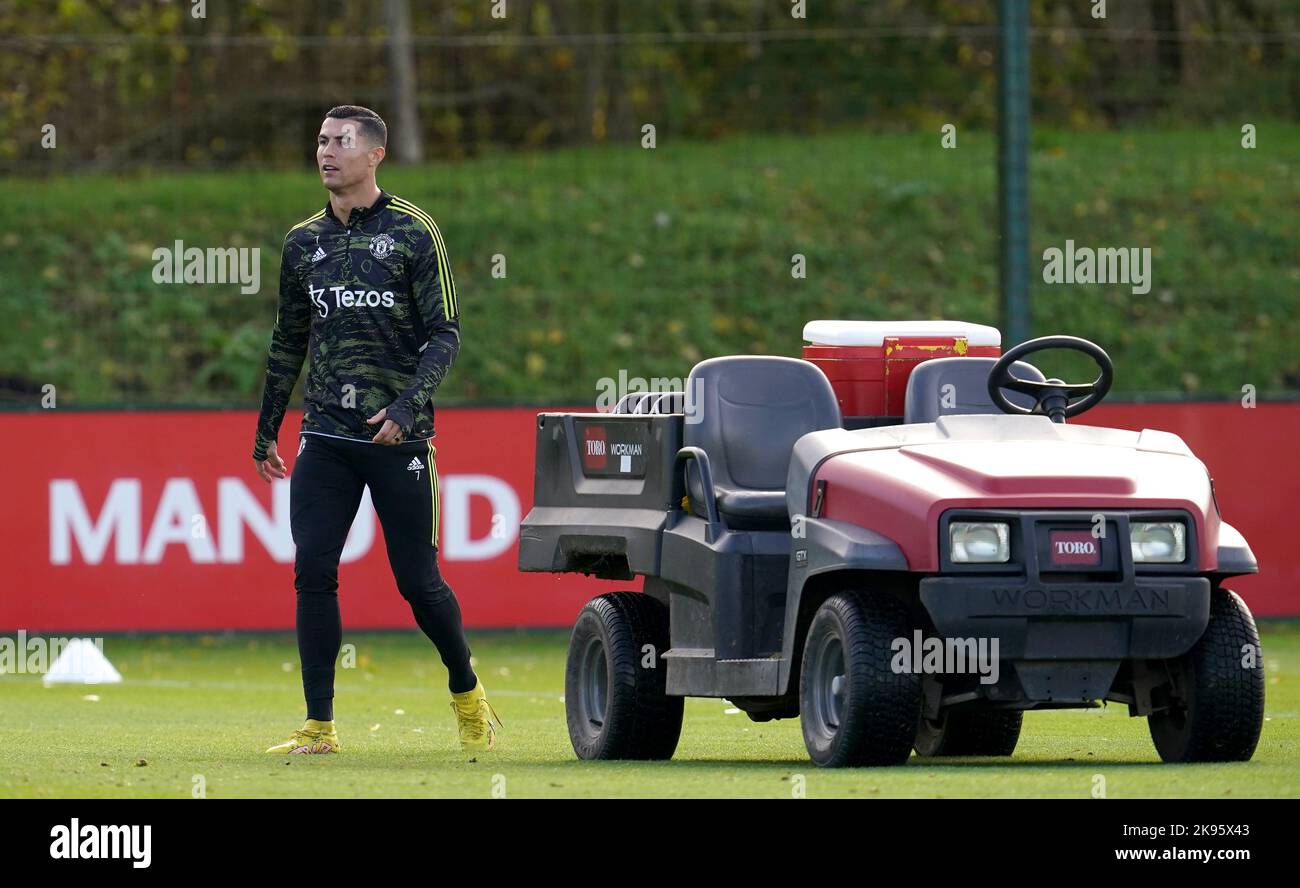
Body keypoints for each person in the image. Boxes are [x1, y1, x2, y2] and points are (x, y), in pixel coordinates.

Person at [251, 104, 499, 756]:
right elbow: (288, 340)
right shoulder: (303, 242)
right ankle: (319, 725)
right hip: (326, 436)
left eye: (341, 142)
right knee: (312, 569)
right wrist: (266, 430)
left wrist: (407, 406)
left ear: (374, 154)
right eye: (321, 141)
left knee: (418, 583)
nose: (326, 152)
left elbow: (445, 332)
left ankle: (466, 687)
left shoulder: (415, 233)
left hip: (399, 439)